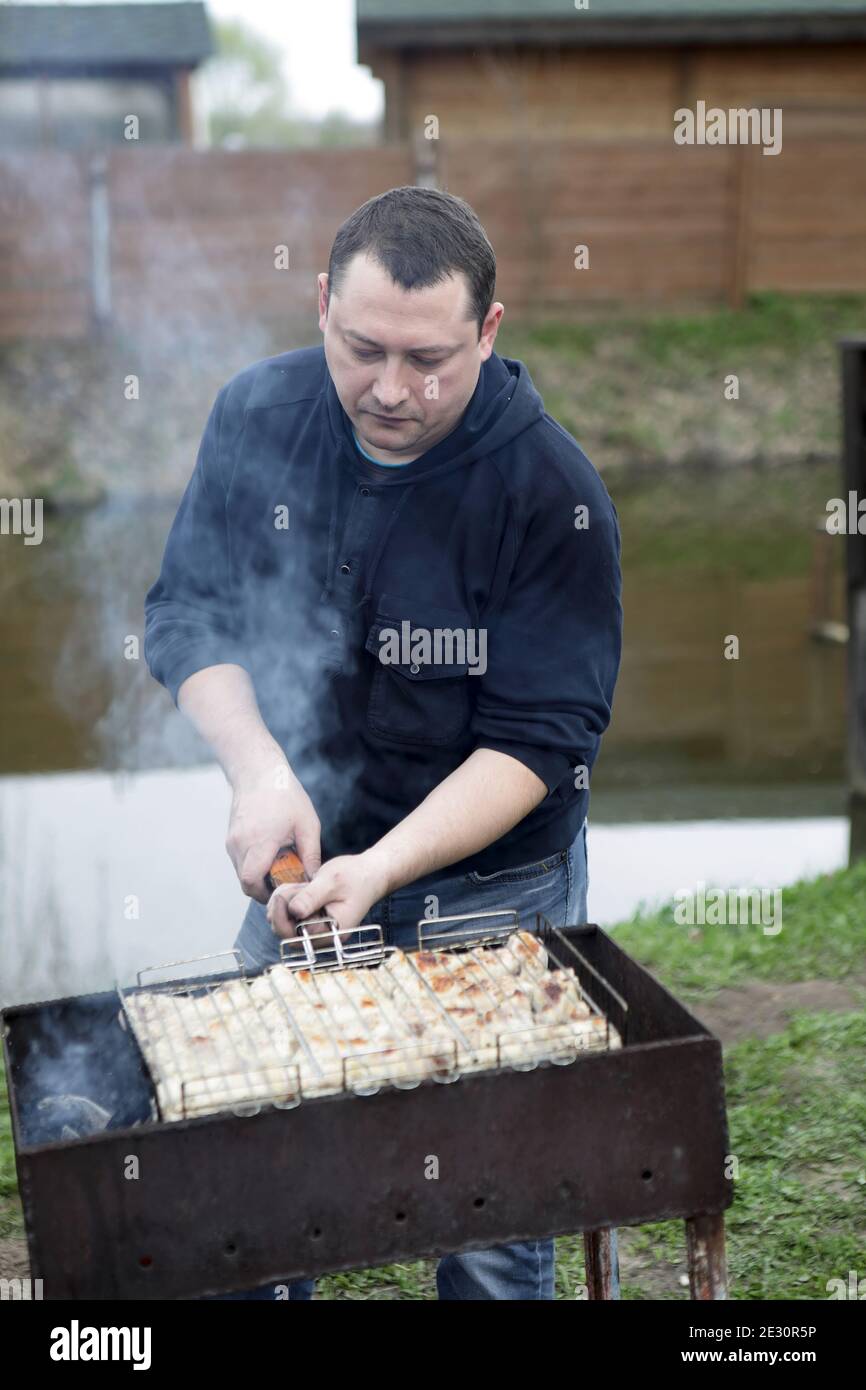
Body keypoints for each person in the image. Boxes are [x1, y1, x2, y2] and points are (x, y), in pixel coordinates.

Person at [144, 185, 623, 1300]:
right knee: (257, 1185)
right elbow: (188, 615)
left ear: (488, 333)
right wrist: (261, 772)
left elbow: (540, 737)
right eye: (363, 350)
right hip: (307, 872)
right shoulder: (257, 414)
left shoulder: (551, 494)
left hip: (492, 888)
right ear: (321, 306)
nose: (391, 390)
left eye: (430, 360)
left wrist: (387, 867)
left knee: (493, 1225)